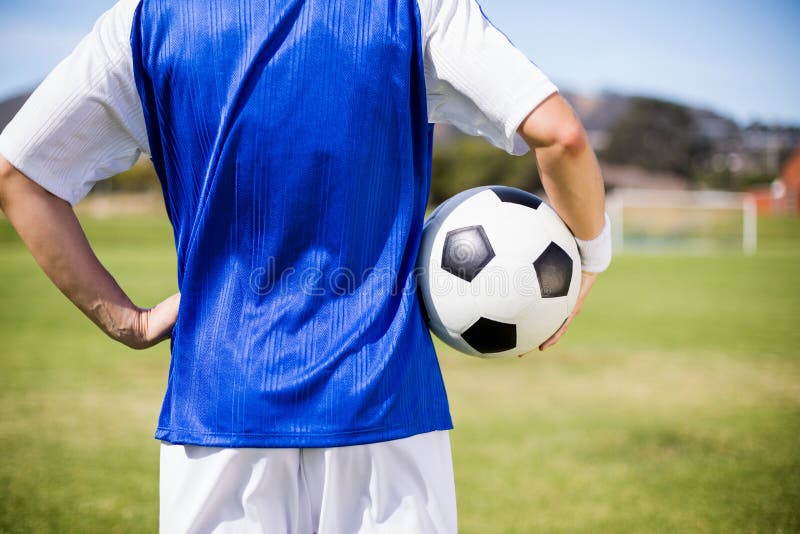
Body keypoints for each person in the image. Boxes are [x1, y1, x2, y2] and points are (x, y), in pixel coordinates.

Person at [0, 0, 611, 532]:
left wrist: (127, 322)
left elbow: (19, 173)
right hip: (384, 406)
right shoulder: (415, 7)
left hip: (219, 408)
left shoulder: (143, 19)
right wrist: (588, 258)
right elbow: (562, 136)